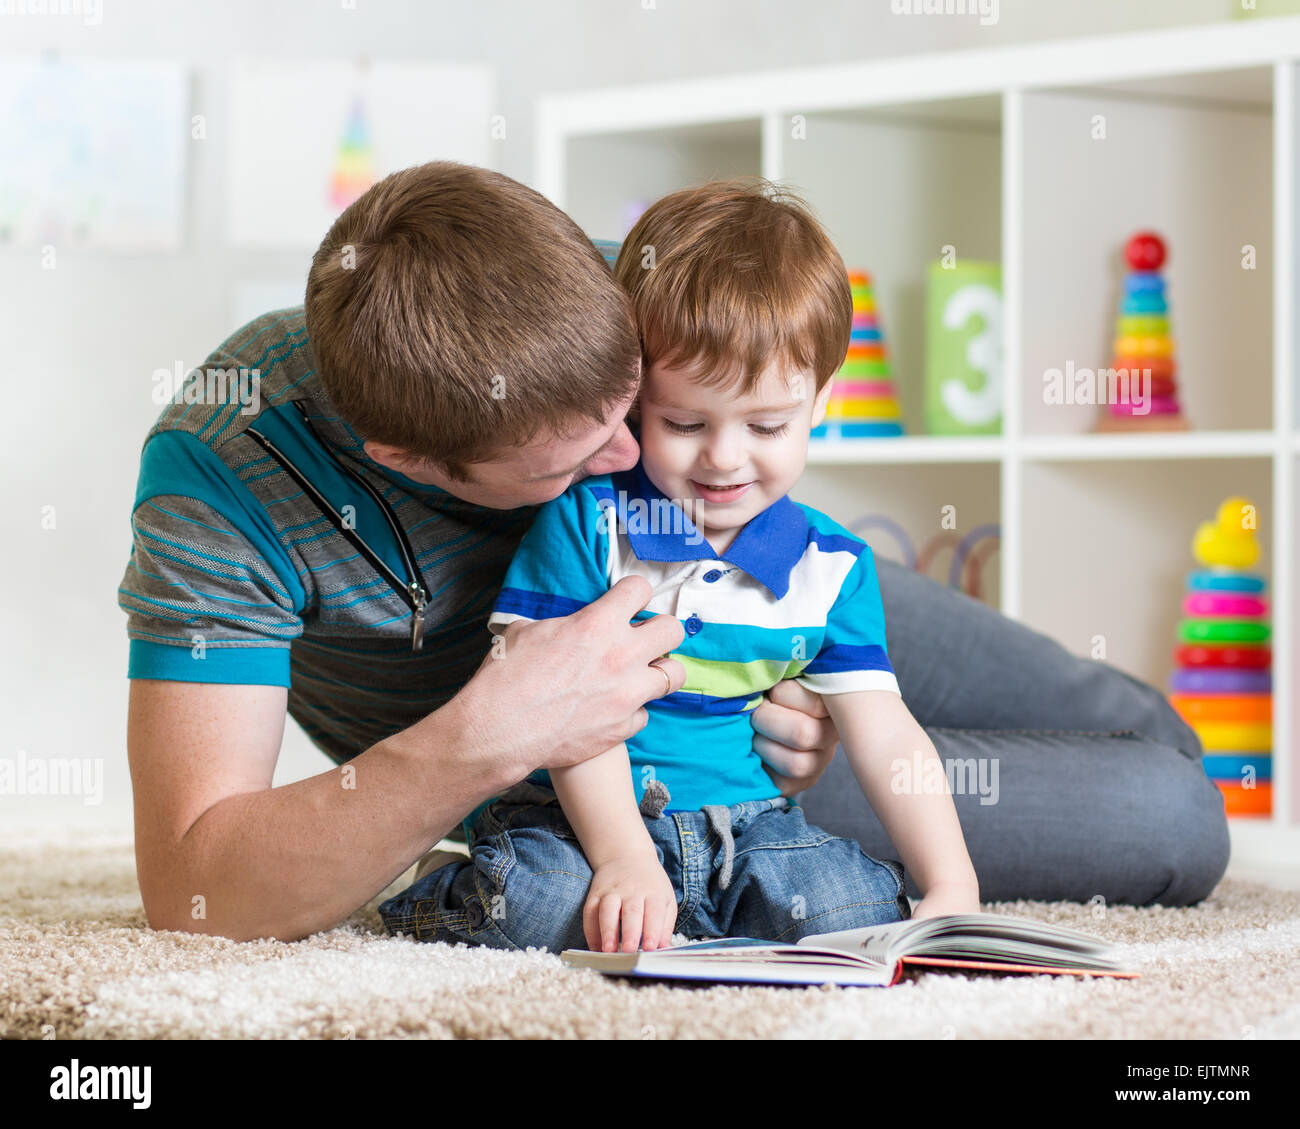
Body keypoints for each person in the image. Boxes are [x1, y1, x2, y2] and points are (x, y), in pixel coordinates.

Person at [119, 162, 1228, 946]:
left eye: (637, 405)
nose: (632, 460)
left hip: (773, 607)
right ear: (408, 456)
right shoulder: (223, 481)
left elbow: (754, 421)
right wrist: (493, 730)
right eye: (573, 456)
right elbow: (194, 888)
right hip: (643, 792)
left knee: (1154, 732)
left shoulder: (593, 287)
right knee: (1170, 816)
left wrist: (803, 674)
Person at [377, 180, 981, 954]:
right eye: (685, 422)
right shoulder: (588, 525)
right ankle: (444, 889)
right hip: (582, 823)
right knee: (541, 906)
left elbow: (889, 737)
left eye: (767, 424)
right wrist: (625, 858)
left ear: (822, 401)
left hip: (748, 827)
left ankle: (703, 911)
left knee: (844, 910)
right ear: (635, 402)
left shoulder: (833, 566)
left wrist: (951, 883)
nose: (724, 458)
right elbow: (565, 712)